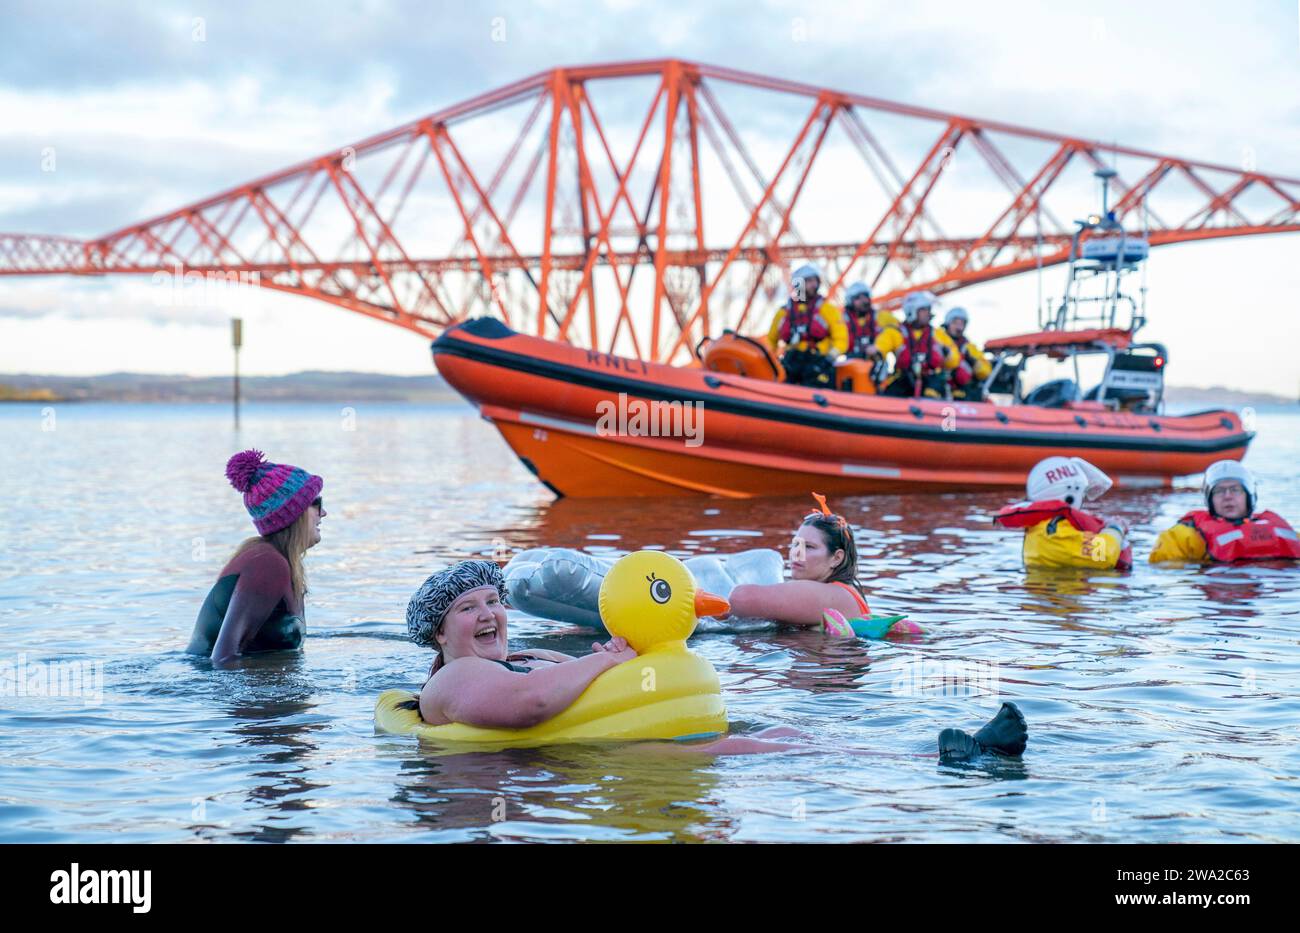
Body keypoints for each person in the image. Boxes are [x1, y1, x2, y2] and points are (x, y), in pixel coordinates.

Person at [402, 560, 1028, 760]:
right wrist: (608, 663)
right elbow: (529, 705)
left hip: (601, 747)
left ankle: (941, 751)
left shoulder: (524, 654)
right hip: (573, 766)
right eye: (467, 608)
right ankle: (942, 756)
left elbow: (549, 685)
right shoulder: (454, 678)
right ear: (439, 634)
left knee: (784, 733)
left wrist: (612, 663)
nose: (488, 614)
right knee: (767, 745)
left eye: (494, 600)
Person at [187, 449, 326, 666]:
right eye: (316, 503)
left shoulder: (281, 562)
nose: (323, 513)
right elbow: (223, 658)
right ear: (294, 513)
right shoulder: (267, 563)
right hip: (221, 693)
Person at [727, 493, 871, 625]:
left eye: (809, 546)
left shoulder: (835, 595)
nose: (796, 553)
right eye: (796, 544)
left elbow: (740, 599)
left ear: (836, 558)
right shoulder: (844, 593)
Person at [993, 456, 1132, 570]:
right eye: (1083, 495)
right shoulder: (1055, 532)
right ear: (1070, 495)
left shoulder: (1041, 525)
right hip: (1062, 600)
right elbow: (1102, 557)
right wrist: (1115, 528)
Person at [1150, 460, 1300, 563]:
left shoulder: (1281, 530)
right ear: (1209, 499)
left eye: (1235, 490)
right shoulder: (1183, 537)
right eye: (1219, 491)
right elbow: (1166, 572)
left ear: (1249, 496)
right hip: (1217, 592)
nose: (1227, 496)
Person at [767, 264, 848, 388]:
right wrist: (770, 362)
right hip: (790, 363)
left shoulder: (828, 309)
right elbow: (771, 340)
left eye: (815, 281)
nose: (813, 284)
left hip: (818, 363)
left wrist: (827, 360)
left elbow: (842, 340)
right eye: (808, 281)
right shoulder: (784, 312)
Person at [876, 290, 955, 398]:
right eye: (923, 310)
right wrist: (876, 352)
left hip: (932, 381)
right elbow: (880, 347)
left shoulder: (938, 335)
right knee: (890, 392)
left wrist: (948, 355)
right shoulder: (896, 332)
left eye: (928, 310)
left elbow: (954, 359)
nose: (927, 313)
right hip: (904, 379)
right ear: (911, 311)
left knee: (934, 389)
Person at [841, 281, 896, 391]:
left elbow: (898, 333)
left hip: (877, 370)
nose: (864, 301)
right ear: (850, 300)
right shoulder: (841, 319)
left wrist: (879, 348)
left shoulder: (882, 317)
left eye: (866, 297)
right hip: (851, 369)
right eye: (858, 298)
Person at [936, 306, 992, 401]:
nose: (959, 327)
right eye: (955, 323)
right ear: (948, 323)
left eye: (962, 323)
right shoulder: (937, 338)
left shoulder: (968, 347)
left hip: (961, 390)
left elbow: (986, 371)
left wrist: (973, 362)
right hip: (938, 385)